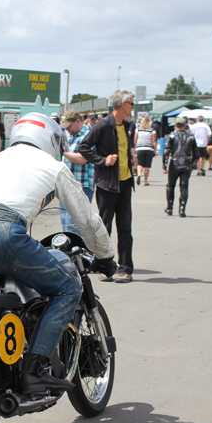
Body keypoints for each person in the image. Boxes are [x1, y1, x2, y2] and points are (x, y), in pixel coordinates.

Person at [0, 112, 115, 395]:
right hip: (4, 234)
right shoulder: (53, 165)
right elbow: (87, 221)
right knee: (67, 287)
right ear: (50, 139)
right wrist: (106, 256)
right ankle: (33, 370)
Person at [78, 89, 137, 284]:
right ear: (122, 105)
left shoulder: (127, 125)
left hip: (125, 184)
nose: (133, 106)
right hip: (107, 185)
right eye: (131, 103)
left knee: (125, 228)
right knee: (105, 227)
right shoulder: (103, 125)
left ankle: (125, 269)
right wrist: (103, 160)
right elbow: (84, 147)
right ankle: (105, 266)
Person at [59, 109, 95, 235]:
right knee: (66, 225)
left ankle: (80, 253)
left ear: (78, 121)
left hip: (81, 186)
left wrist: (62, 152)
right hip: (65, 186)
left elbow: (82, 159)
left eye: (69, 126)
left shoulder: (88, 136)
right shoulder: (69, 136)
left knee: (74, 227)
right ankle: (71, 253)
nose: (67, 129)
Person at [162, 115, 199, 217]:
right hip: (186, 163)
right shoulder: (191, 137)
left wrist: (164, 165)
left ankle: (170, 207)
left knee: (170, 185)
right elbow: (197, 155)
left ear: (175, 125)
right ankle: (182, 209)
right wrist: (193, 165)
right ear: (185, 125)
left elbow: (166, 152)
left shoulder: (171, 136)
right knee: (184, 186)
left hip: (174, 162)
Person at [134, 116, 157, 186]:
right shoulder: (152, 130)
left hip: (139, 148)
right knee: (147, 165)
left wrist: (135, 148)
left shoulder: (138, 129)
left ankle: (139, 174)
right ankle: (146, 182)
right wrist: (156, 149)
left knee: (139, 163)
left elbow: (135, 139)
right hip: (149, 149)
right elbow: (154, 141)